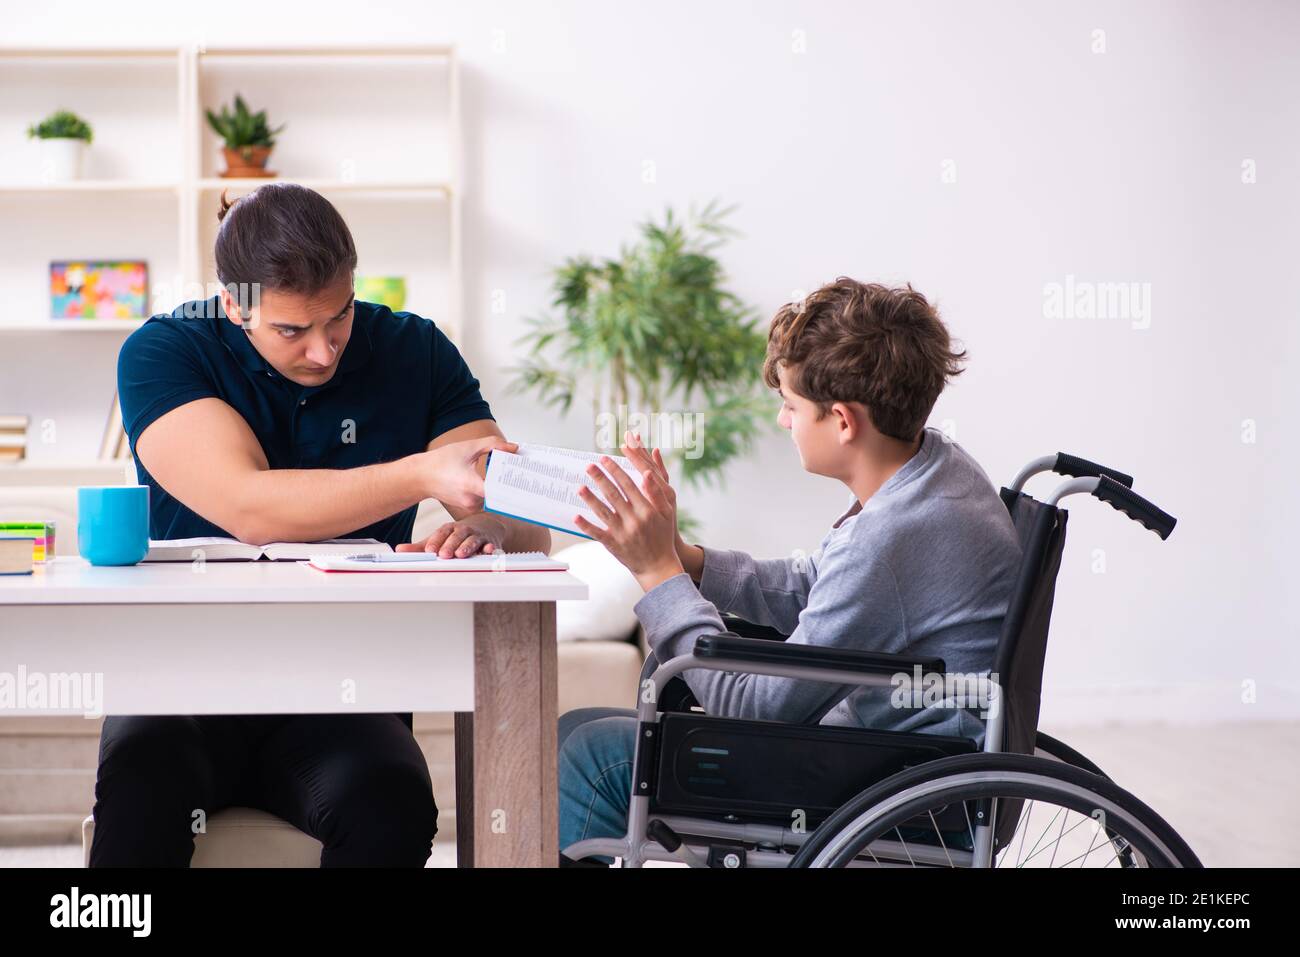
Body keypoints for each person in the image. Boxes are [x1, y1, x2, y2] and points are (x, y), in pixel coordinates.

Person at [90, 183, 549, 867]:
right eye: (291, 330)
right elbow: (252, 509)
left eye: (338, 318)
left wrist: (490, 526)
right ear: (233, 307)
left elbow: (525, 522)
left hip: (346, 687)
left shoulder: (415, 350)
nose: (323, 350)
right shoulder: (166, 352)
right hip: (181, 681)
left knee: (391, 802)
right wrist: (422, 473)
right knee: (139, 792)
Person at [556, 277, 1021, 860]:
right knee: (576, 728)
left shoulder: (889, 537)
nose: (783, 421)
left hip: (886, 789)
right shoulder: (936, 469)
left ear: (844, 421)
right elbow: (812, 586)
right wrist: (683, 558)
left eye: (791, 405)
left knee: (591, 757)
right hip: (898, 761)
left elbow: (753, 707)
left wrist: (656, 574)